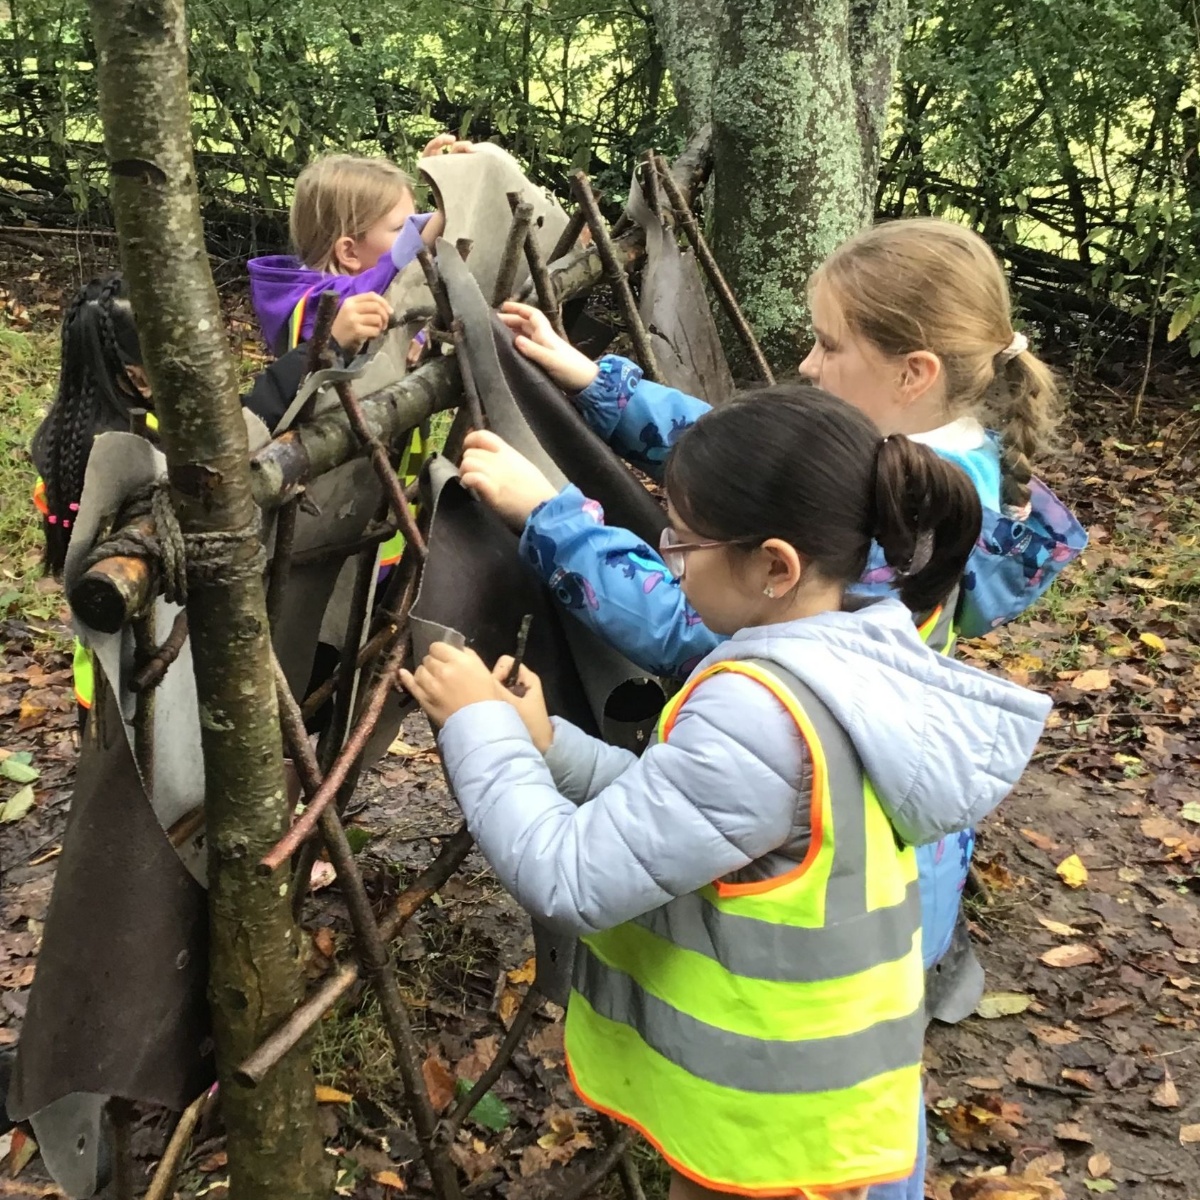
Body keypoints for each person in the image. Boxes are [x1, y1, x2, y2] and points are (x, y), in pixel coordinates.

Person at [400, 390, 1051, 1200]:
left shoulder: (759, 709)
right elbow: (688, 818)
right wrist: (549, 746)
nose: (667, 554)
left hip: (770, 1122)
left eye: (680, 539)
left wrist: (477, 728)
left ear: (775, 566)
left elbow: (570, 877)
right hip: (815, 1096)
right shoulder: (849, 659)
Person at [29, 274, 339, 715]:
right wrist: (314, 353)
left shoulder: (65, 440)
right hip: (145, 671)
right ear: (138, 375)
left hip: (104, 669)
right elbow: (234, 447)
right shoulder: (132, 453)